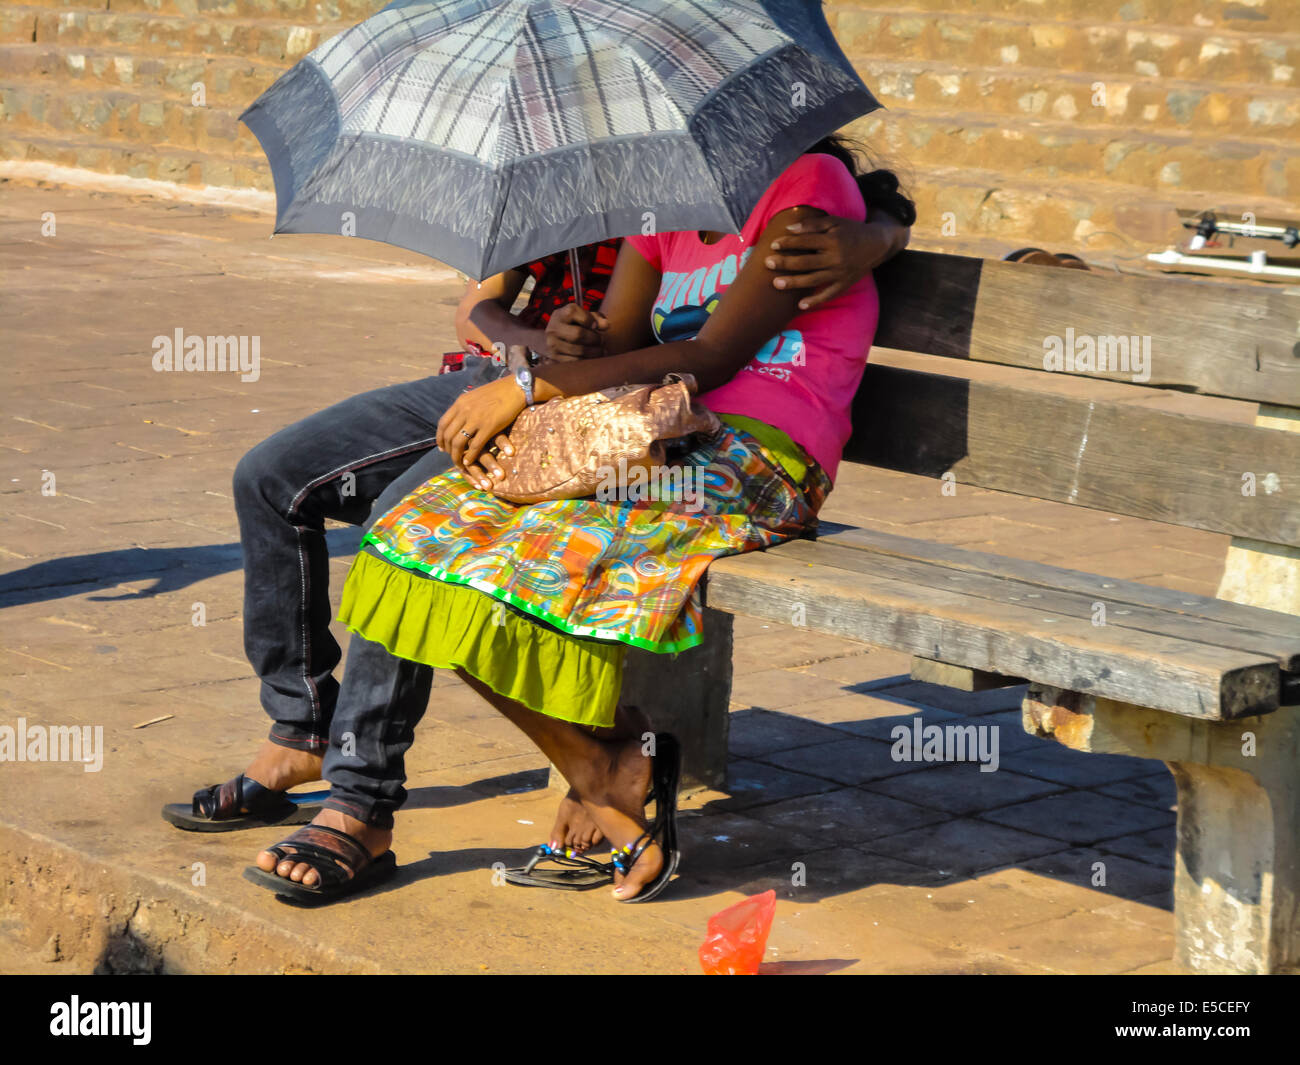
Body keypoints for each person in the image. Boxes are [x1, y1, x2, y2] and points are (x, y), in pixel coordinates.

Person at [235, 136, 916, 903]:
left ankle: (471, 788)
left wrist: (530, 388)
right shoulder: (664, 203)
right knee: (405, 546)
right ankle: (602, 765)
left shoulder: (806, 184)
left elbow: (717, 356)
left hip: (753, 459)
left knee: (508, 558)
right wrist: (570, 345)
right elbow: (623, 340)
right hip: (650, 432)